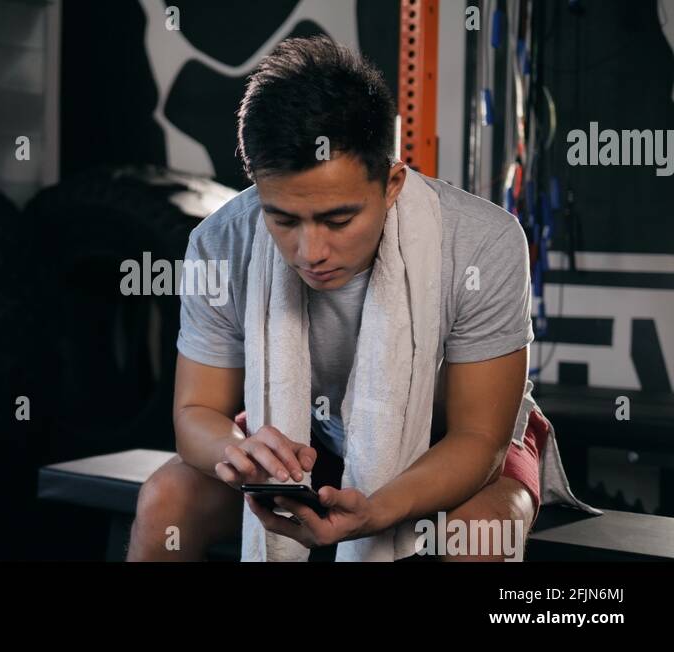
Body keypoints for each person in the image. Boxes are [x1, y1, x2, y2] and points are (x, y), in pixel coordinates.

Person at [127, 35, 551, 562]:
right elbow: (196, 413)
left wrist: (379, 510)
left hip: (453, 447)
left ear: (392, 183)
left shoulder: (483, 242)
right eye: (283, 219)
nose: (311, 252)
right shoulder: (220, 243)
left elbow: (478, 439)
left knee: (481, 538)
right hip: (312, 442)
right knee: (163, 500)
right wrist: (238, 451)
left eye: (338, 219)